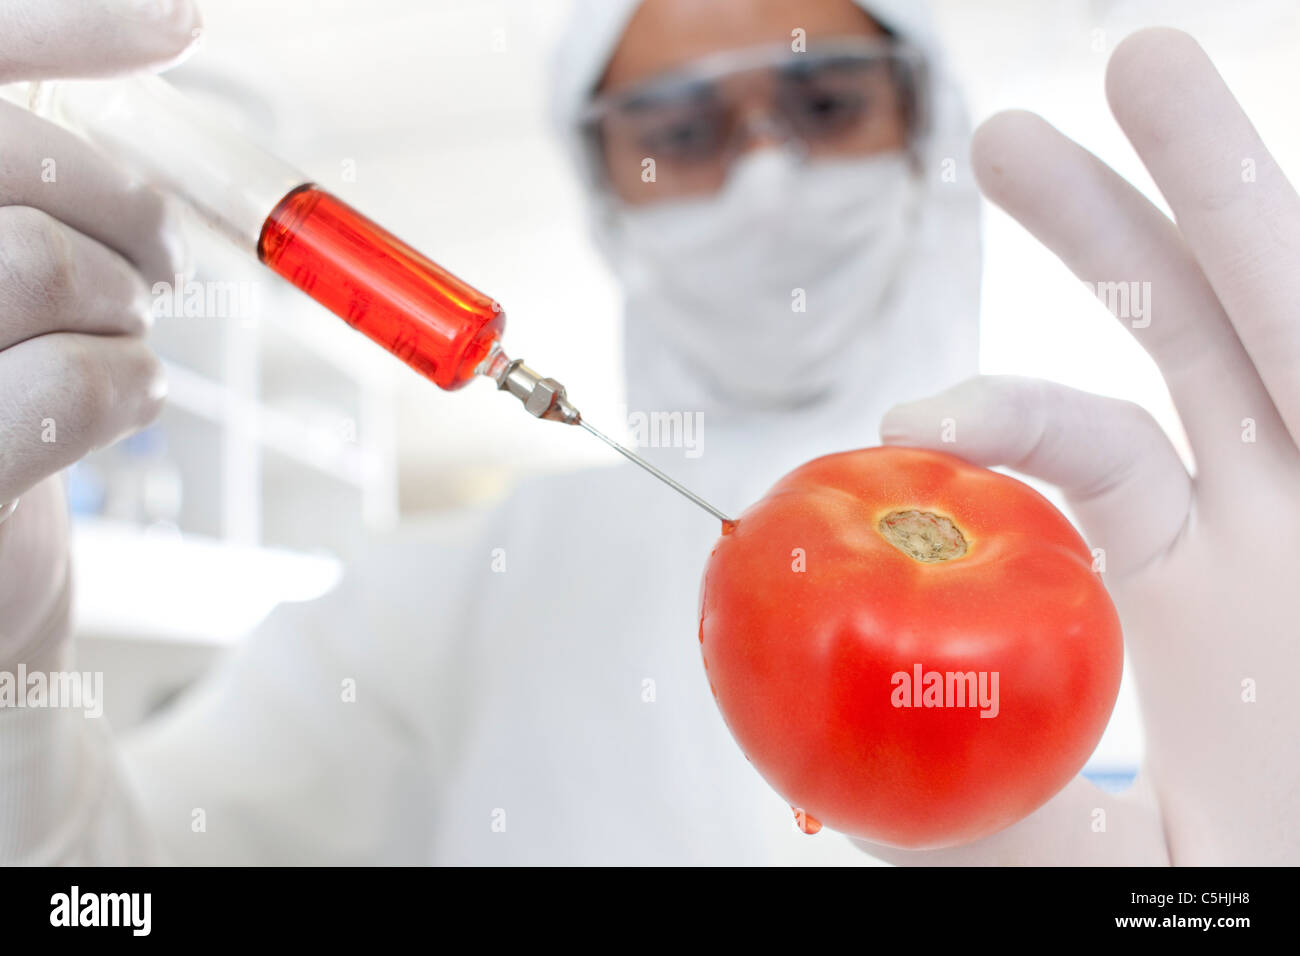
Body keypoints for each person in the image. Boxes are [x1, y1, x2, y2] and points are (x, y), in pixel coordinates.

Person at [0, 0, 1294, 866]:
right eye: (677, 133)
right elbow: (99, 876)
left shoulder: (1190, 560)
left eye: (826, 101)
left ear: (926, 132)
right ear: (609, 191)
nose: (767, 170)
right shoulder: (453, 599)